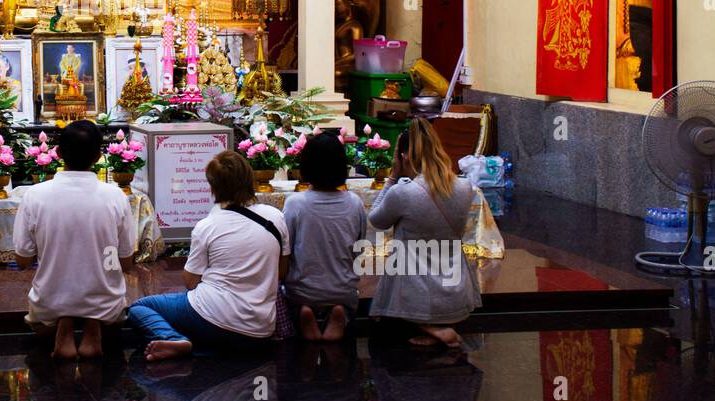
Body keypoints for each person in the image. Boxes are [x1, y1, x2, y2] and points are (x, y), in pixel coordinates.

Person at [127, 151, 289, 360]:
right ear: (251, 180)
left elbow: (190, 281)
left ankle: (173, 338)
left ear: (213, 189)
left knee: (141, 307)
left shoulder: (207, 226)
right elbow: (282, 272)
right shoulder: (275, 218)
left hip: (211, 317)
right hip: (260, 329)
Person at [13, 121, 136, 360]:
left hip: (49, 305)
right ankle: (92, 325)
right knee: (109, 312)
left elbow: (23, 260)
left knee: (41, 323)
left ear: (57, 153)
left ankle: (64, 324)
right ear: (99, 155)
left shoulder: (35, 196)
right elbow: (126, 263)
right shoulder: (115, 197)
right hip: (107, 308)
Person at [367, 118, 482, 348]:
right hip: (456, 292)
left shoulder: (403, 192)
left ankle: (430, 327)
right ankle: (434, 330)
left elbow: (376, 220)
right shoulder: (465, 187)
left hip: (415, 298)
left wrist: (392, 177)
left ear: (405, 157)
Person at [282, 132, 367, 342]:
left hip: (301, 290)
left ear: (306, 165)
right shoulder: (354, 203)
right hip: (343, 288)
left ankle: (303, 312)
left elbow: (286, 250)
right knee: (345, 296)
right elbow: (359, 248)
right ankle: (340, 314)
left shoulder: (295, 203)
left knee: (286, 294)